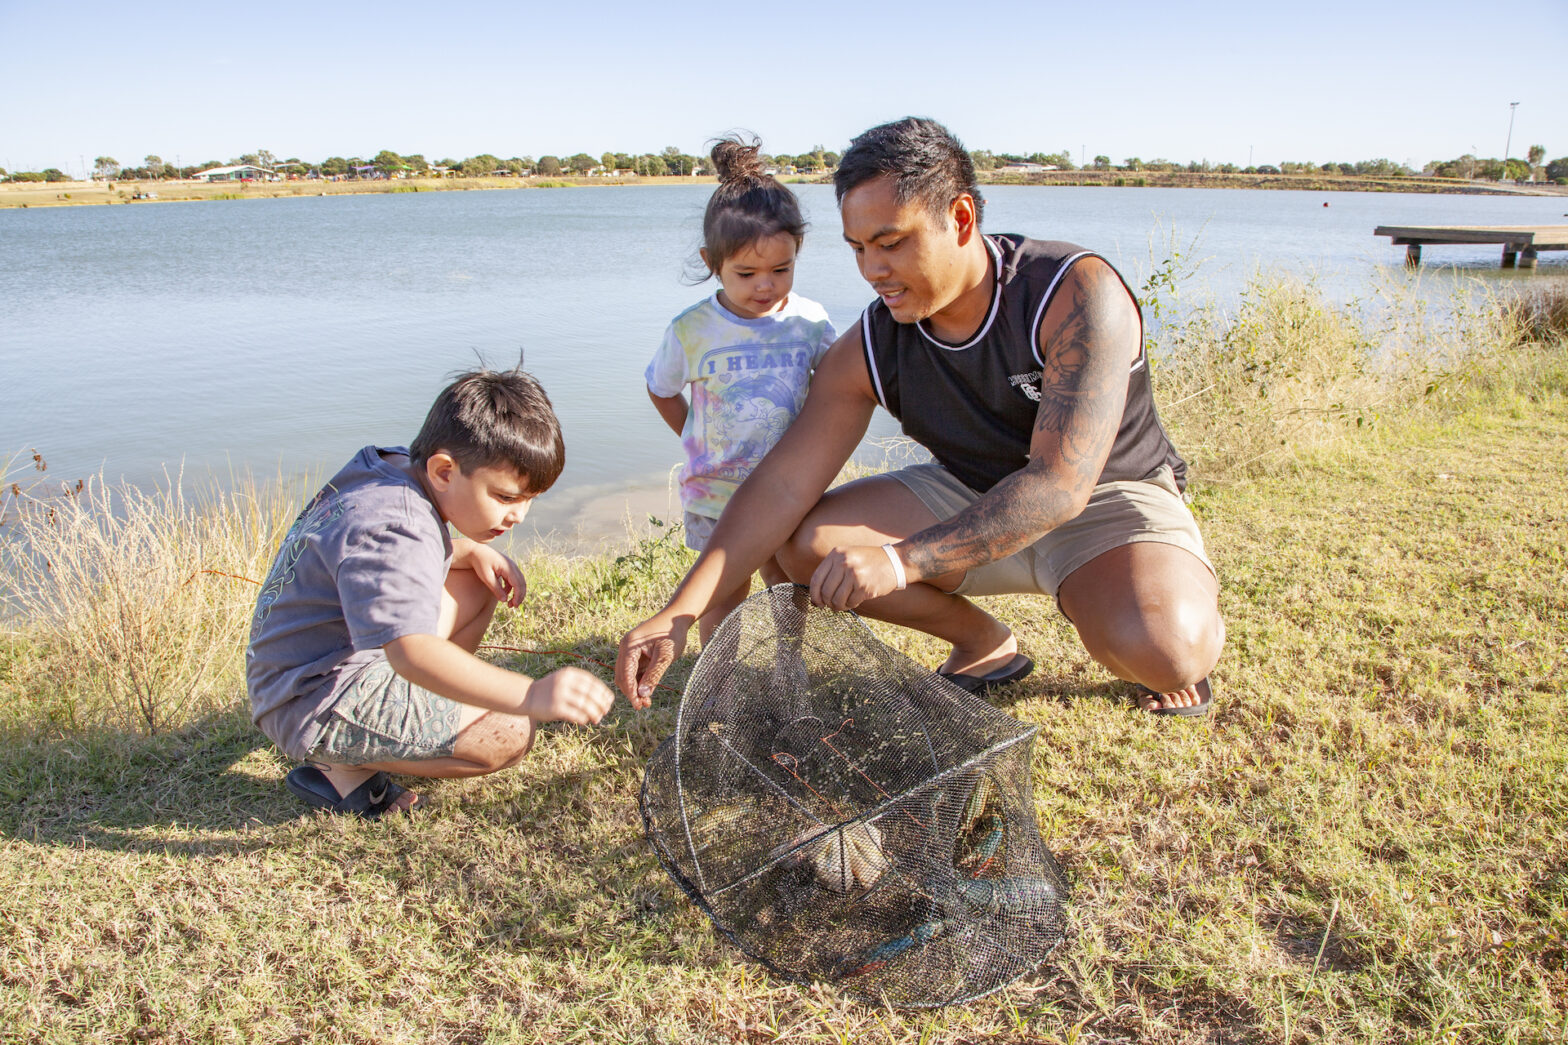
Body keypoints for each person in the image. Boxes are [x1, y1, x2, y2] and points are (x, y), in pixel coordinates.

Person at [617, 118, 1223, 716]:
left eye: (890, 243)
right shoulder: (875, 342)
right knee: (807, 544)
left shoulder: (1073, 292)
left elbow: (1059, 487)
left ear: (960, 219)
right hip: (967, 492)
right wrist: (679, 613)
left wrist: (898, 561)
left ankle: (1142, 593)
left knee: (1169, 650)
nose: (872, 270)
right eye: (857, 248)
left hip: (1106, 498)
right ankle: (986, 644)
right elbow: (780, 484)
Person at [248, 368, 630, 819]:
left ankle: (412, 719)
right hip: (310, 697)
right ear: (444, 470)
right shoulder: (398, 526)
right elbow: (411, 653)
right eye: (506, 497)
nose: (519, 516)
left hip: (308, 666)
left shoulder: (389, 468)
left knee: (477, 578)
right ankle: (340, 769)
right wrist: (531, 695)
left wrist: (466, 549)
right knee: (507, 732)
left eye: (531, 500)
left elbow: (369, 554)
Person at [644, 135, 837, 645]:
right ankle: (722, 685)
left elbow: (839, 385)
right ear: (713, 262)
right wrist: (692, 432)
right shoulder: (692, 330)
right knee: (724, 595)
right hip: (716, 492)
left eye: (781, 269)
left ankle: (787, 670)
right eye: (746, 273)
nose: (765, 286)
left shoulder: (810, 321)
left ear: (798, 253)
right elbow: (661, 388)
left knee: (787, 585)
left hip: (791, 490)